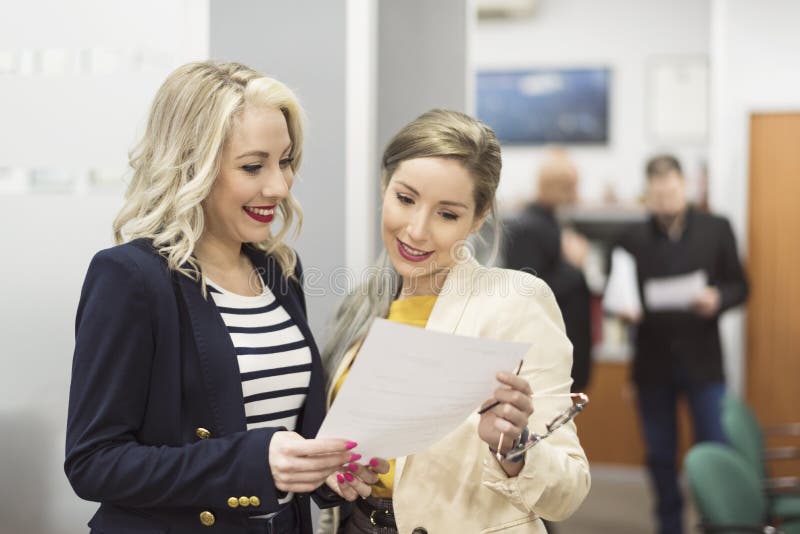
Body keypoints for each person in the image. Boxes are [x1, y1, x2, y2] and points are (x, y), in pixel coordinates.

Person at [64, 61, 383, 534]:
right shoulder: (130, 278)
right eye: (253, 166)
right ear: (191, 167)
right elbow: (93, 462)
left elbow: (286, 432)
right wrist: (252, 462)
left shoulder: (278, 270)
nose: (279, 186)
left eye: (285, 161)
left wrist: (326, 469)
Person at [318, 110, 591, 533]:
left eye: (447, 214)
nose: (417, 230)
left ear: (478, 218)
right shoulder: (362, 303)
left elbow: (569, 492)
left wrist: (515, 448)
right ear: (385, 187)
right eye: (405, 199)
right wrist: (337, 469)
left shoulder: (516, 304)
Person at [616, 154, 749, 534]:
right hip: (652, 365)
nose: (665, 201)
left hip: (704, 363)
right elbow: (617, 292)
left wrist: (718, 298)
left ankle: (720, 525)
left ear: (684, 186)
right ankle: (669, 525)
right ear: (648, 195)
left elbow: (741, 286)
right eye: (657, 196)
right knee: (660, 456)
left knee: (714, 448)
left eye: (671, 192)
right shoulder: (631, 239)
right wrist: (624, 308)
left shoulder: (716, 228)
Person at [503, 148, 593, 392]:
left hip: (561, 352)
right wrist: (573, 267)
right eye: (571, 186)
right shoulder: (528, 227)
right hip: (547, 357)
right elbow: (530, 291)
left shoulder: (549, 221)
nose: (576, 193)